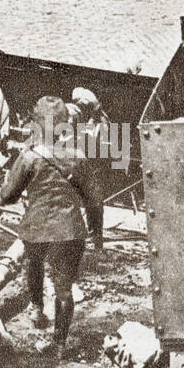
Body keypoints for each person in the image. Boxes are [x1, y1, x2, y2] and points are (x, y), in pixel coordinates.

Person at [0, 95, 101, 358]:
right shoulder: (78, 158)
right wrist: (97, 234)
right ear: (65, 126)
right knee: (64, 288)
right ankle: (59, 344)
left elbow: (7, 196)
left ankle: (36, 308)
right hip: (69, 230)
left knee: (33, 263)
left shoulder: (29, 157)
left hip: (37, 227)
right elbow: (94, 201)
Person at [65, 86, 111, 249]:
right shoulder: (71, 114)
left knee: (95, 205)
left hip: (91, 167)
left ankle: (96, 239)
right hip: (74, 166)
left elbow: (98, 146)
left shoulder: (100, 122)